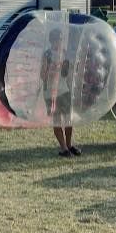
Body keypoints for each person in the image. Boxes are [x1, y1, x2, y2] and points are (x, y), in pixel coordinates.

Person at [42, 26, 80, 156]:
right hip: (51, 92)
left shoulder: (64, 53)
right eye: (57, 40)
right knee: (57, 119)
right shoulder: (47, 54)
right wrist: (51, 70)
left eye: (61, 40)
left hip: (64, 90)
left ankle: (69, 145)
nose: (59, 42)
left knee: (69, 119)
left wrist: (67, 67)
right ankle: (63, 148)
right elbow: (42, 75)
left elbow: (65, 73)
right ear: (52, 41)